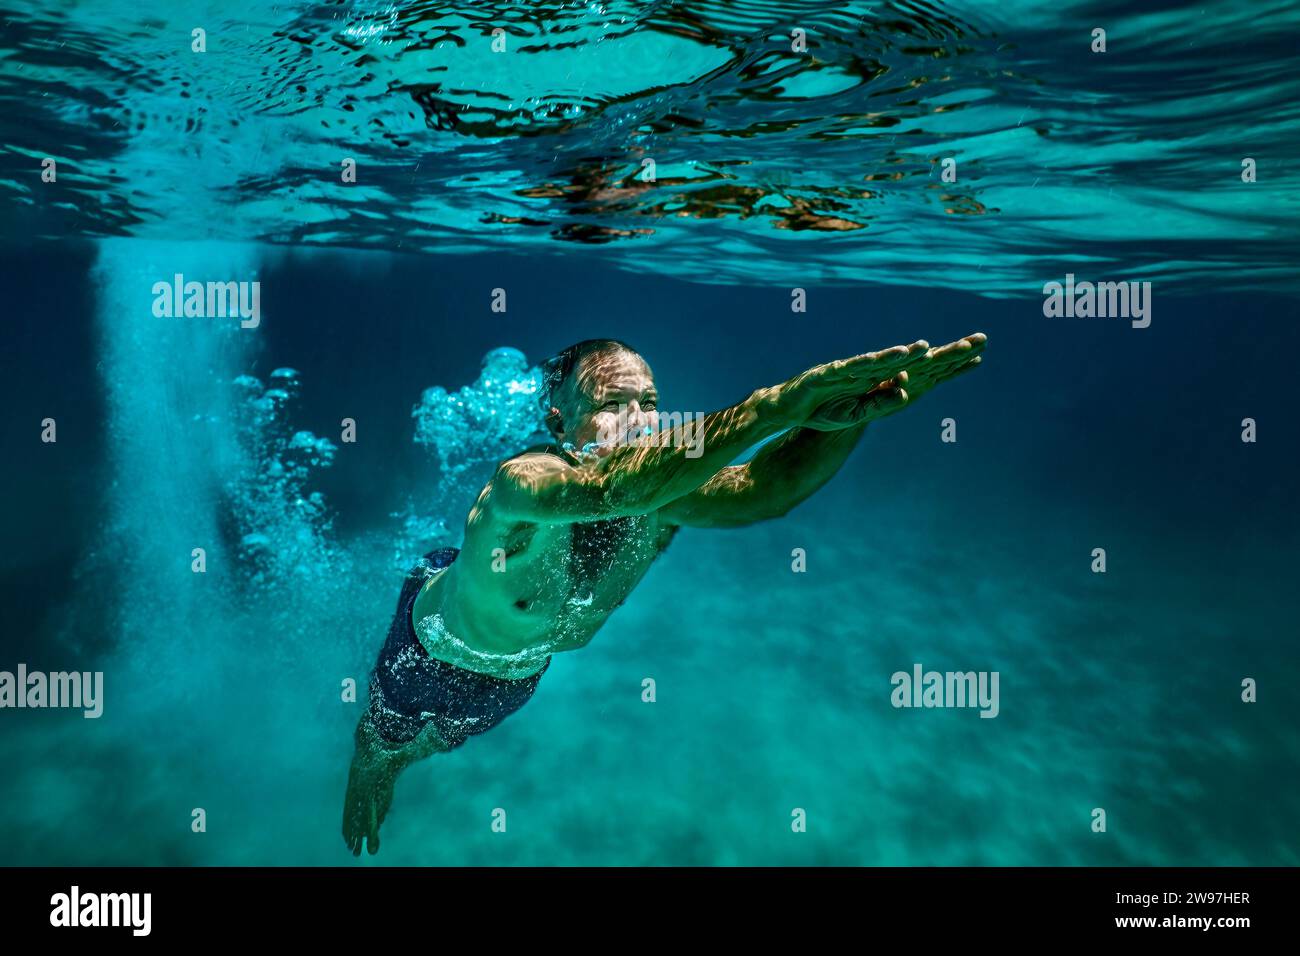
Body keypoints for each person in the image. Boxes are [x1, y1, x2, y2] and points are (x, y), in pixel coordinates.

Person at [343, 333, 986, 854]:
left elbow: (768, 489)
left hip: (517, 676)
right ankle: (370, 762)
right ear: (557, 420)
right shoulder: (522, 486)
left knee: (440, 741)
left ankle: (401, 760)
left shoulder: (667, 496)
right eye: (612, 404)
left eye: (649, 402)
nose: (638, 419)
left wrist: (854, 414)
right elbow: (611, 491)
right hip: (429, 654)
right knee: (384, 738)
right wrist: (775, 406)